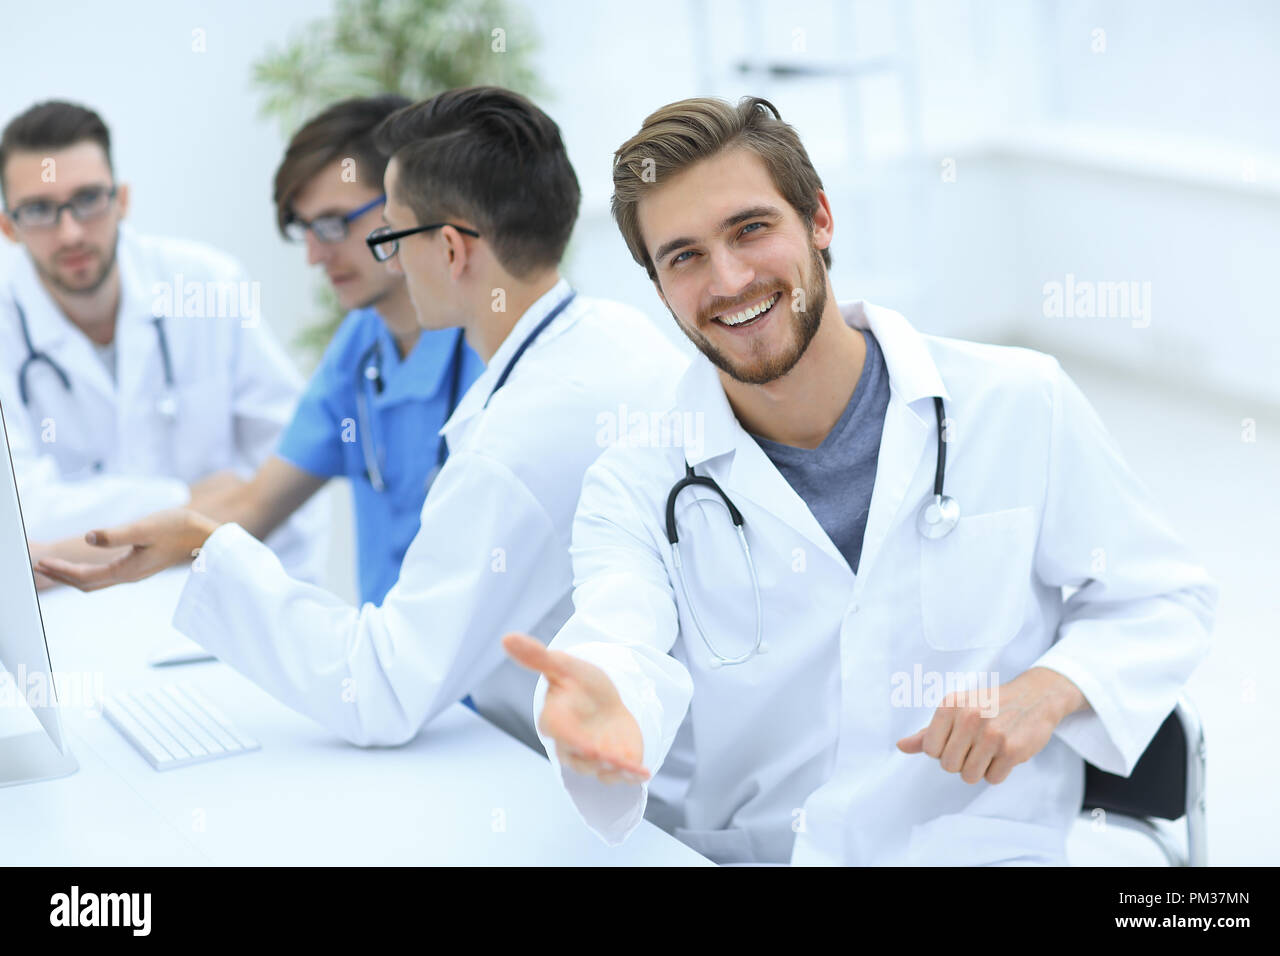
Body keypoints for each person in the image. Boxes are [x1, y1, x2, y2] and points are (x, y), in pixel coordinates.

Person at [502, 96, 1219, 865]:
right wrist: (601, 707)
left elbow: (1161, 595)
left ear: (819, 219)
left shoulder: (1019, 403)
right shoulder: (635, 483)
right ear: (659, 284)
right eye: (685, 256)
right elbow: (617, 642)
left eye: (751, 228)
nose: (731, 278)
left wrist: (1050, 686)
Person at [37, 88, 687, 754]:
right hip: (502, 720)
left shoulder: (513, 443)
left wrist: (202, 546)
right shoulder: (616, 337)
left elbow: (382, 693)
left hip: (535, 746)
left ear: (452, 250)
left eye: (391, 235)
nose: (390, 259)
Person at [162, 94, 483, 607]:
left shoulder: (486, 345)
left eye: (334, 224)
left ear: (405, 205)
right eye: (305, 230)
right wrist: (94, 551)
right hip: (384, 661)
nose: (315, 254)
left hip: (490, 676)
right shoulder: (360, 345)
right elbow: (255, 504)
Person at [0, 100, 326, 584]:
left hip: (221, 595)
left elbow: (289, 469)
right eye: (40, 210)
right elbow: (18, 517)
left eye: (87, 199)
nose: (70, 232)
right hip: (70, 617)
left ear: (122, 201)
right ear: (9, 226)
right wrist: (188, 504)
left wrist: (56, 551)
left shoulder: (207, 286)